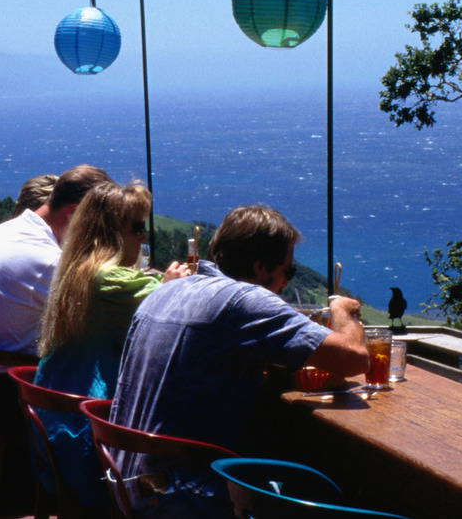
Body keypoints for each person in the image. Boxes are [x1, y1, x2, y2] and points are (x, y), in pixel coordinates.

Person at [108, 204, 368, 519]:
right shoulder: (243, 301)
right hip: (178, 492)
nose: (285, 283)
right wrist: (343, 312)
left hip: (125, 482)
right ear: (260, 268)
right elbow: (354, 358)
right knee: (323, 495)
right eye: (287, 271)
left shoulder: (167, 291)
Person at [35, 181, 188, 510]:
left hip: (60, 435)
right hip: (95, 449)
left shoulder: (77, 270)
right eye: (137, 227)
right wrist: (175, 286)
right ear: (110, 232)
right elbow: (174, 310)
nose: (143, 237)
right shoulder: (109, 280)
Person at [0, 164, 113, 361]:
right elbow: (108, 318)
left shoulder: (3, 231)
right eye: (96, 226)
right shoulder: (47, 260)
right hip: (11, 380)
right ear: (73, 213)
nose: (96, 236)